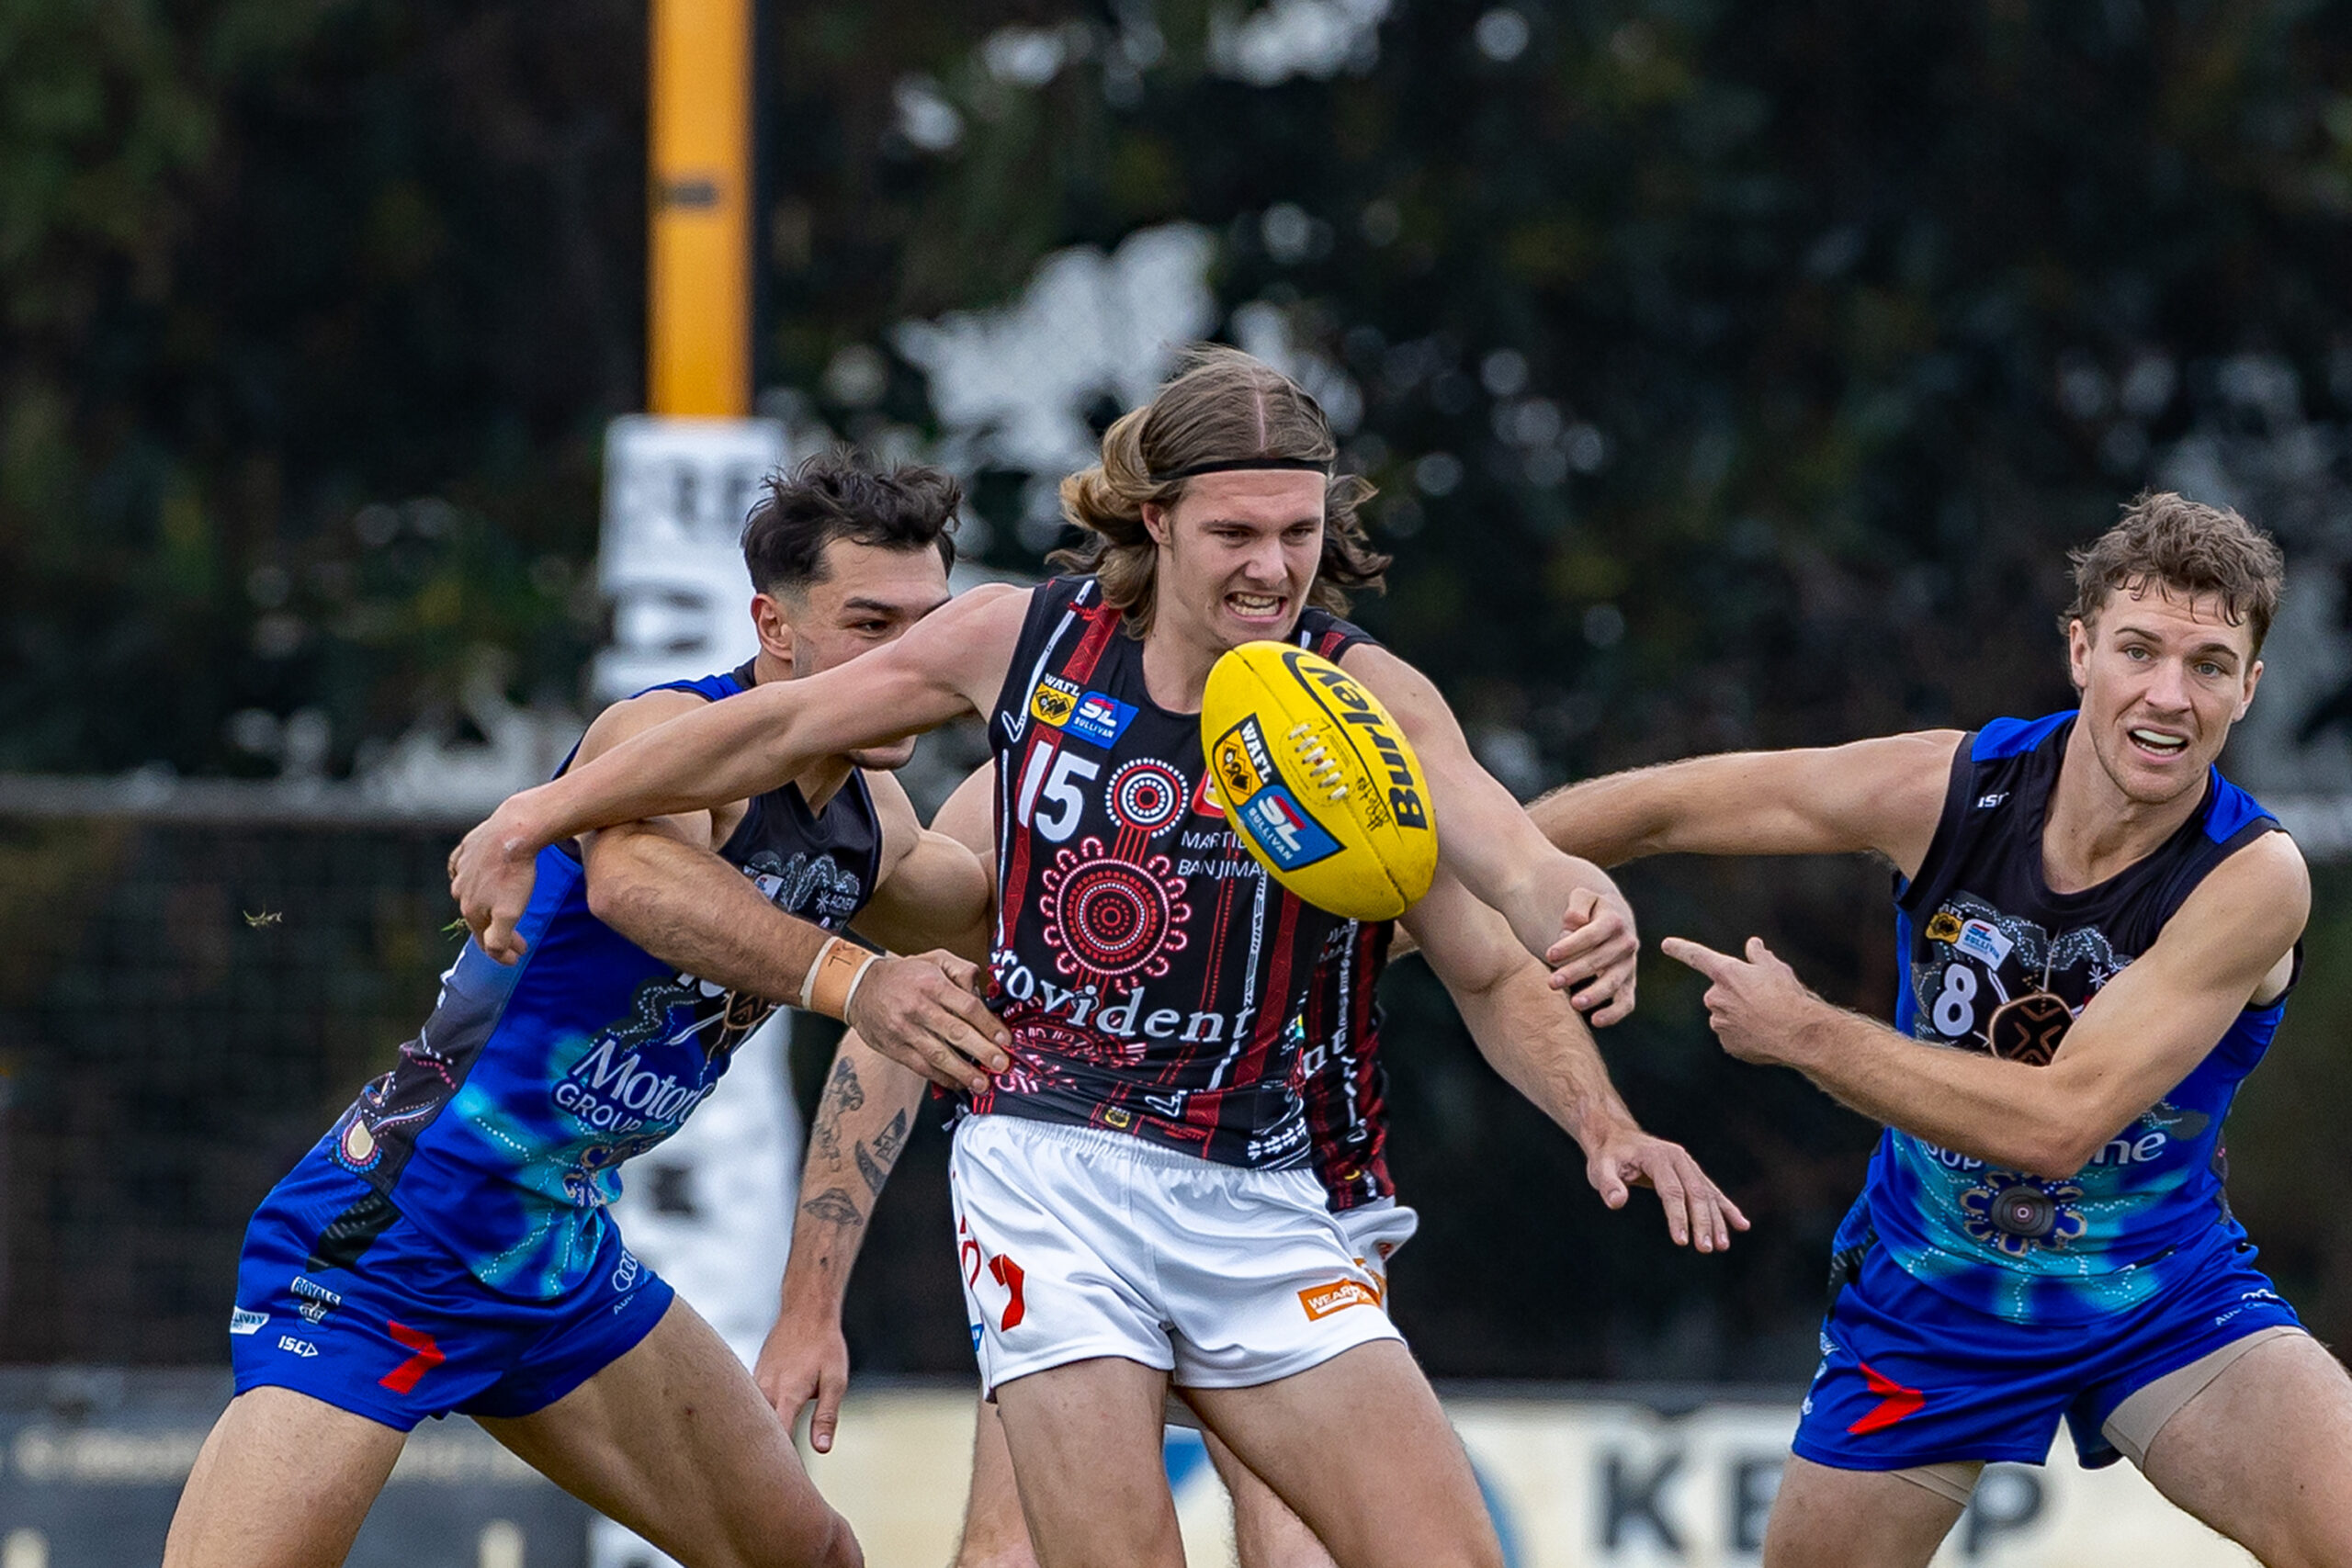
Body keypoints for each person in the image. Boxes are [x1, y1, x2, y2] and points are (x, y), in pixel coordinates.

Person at [448, 345, 1647, 1568]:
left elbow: (1500, 855)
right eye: (1237, 529)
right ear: (1157, 520)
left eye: (1299, 531)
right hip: (1053, 1167)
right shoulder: (1024, 652)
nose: (1273, 564)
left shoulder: (1353, 700)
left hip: (1274, 1178)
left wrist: (1574, 906)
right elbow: (780, 728)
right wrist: (534, 813)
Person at [164, 455, 1011, 1568]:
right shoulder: (664, 733)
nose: (910, 661)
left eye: (930, 626)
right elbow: (636, 885)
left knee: (809, 1558)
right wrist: (855, 980)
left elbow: (984, 899)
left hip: (553, 1258)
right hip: (391, 1237)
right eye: (870, 623)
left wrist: (1127, 706)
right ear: (775, 625)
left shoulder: (873, 816)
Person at [1525, 492, 2352, 1568]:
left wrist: (1807, 1034)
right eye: (2138, 649)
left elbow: (2059, 1123)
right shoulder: (1953, 790)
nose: (2166, 695)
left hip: (2156, 1291)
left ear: (2247, 687)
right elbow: (1669, 805)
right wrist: (1443, 899)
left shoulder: (2251, 879)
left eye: (2207, 664)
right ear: (2078, 650)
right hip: (1929, 1301)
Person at [755, 757, 1746, 1568]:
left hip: (1295, 1201)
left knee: (1300, 1550)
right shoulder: (1041, 757)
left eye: (1292, 544)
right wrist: (809, 1304)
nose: (1265, 577)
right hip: (1070, 1193)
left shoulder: (1352, 752)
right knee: (1009, 1556)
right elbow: (896, 1022)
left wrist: (1602, 1120)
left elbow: (1493, 954)